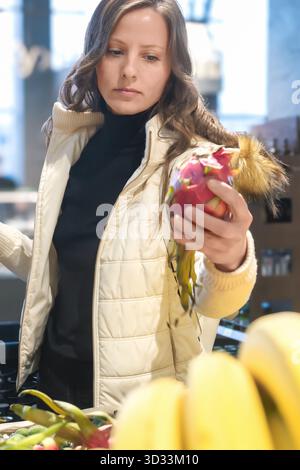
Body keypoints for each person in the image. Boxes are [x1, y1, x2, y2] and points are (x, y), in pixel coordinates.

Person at [0, 0, 286, 415]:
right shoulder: (72, 150)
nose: (129, 70)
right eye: (116, 51)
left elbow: (211, 300)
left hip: (144, 411)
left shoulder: (191, 166)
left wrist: (232, 261)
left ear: (172, 68)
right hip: (55, 391)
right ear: (95, 55)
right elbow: (63, 269)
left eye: (150, 56)